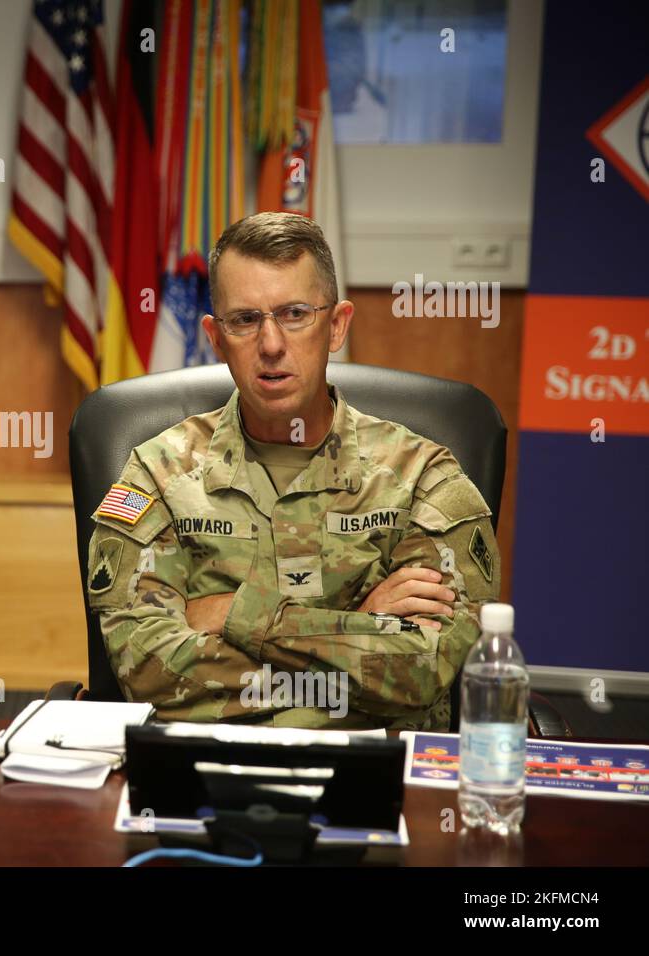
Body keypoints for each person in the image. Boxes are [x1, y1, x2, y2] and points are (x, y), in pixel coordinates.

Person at [87, 213, 499, 729]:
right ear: (216, 338)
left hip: (374, 781)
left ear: (337, 325)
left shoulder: (421, 477)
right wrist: (361, 624)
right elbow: (148, 670)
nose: (272, 344)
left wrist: (231, 615)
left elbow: (423, 670)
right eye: (245, 320)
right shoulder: (159, 472)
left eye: (295, 313)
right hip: (206, 776)